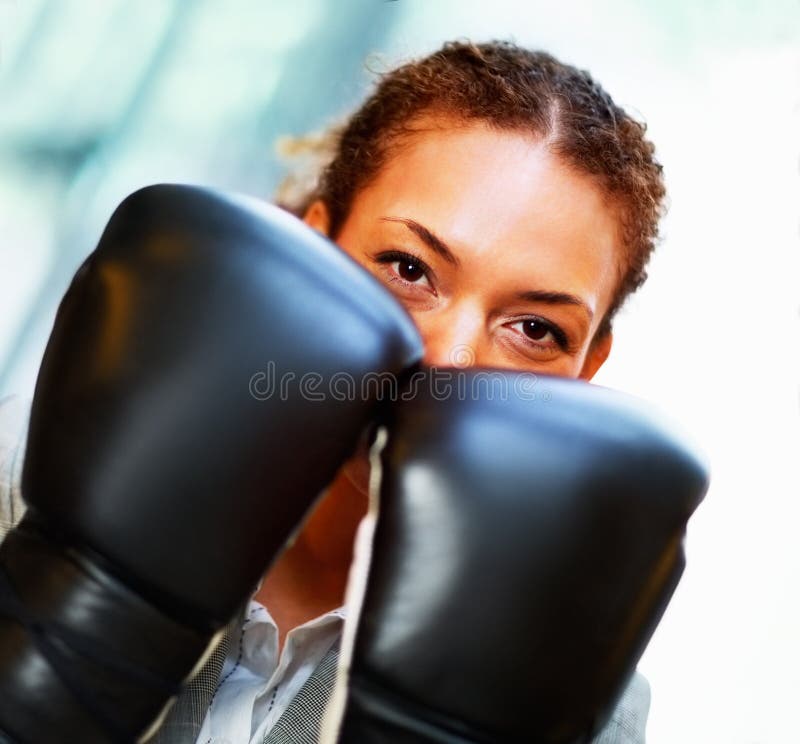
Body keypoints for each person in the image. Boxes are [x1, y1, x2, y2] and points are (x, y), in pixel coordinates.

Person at [0, 40, 665, 742]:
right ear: (312, 250)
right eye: (408, 267)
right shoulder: (36, 477)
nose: (449, 361)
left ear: (587, 370)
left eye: (534, 328)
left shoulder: (577, 706)